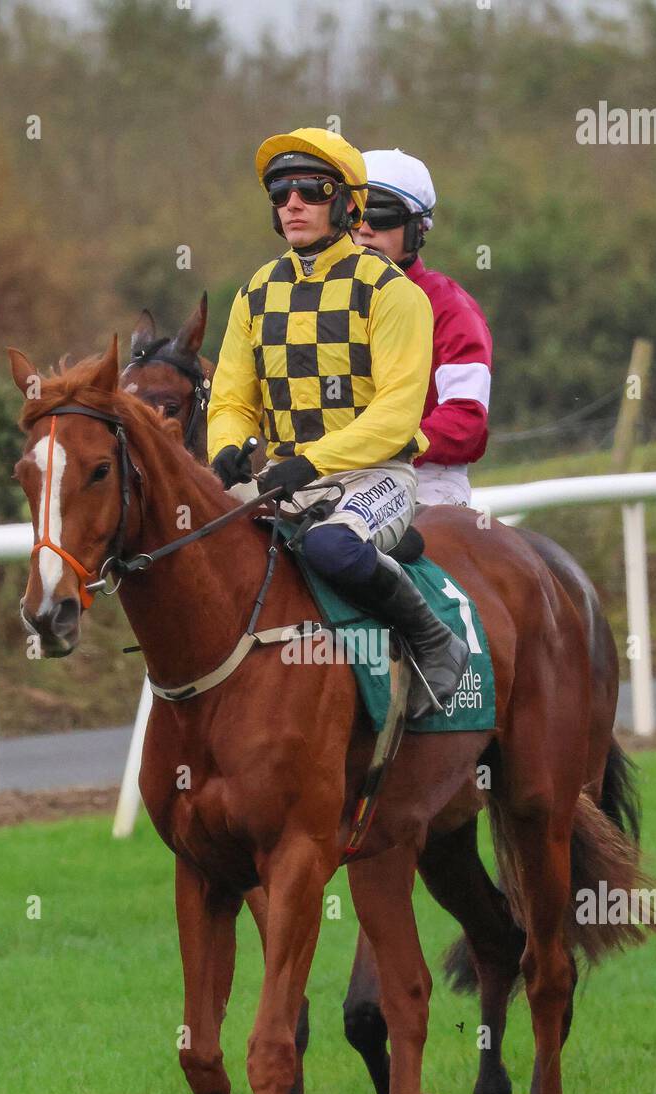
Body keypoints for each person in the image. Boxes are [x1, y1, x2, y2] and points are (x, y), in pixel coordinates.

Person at [207, 127, 469, 716]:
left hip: (374, 474)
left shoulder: (393, 293)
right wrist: (224, 446)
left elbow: (397, 415)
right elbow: (230, 401)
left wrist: (310, 462)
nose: (292, 203)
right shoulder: (253, 294)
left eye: (311, 189)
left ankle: (433, 640)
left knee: (328, 548)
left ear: (346, 203)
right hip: (286, 474)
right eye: (280, 192)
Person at [353, 148, 492, 509]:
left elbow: (466, 418)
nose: (364, 228)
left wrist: (382, 443)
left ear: (417, 229)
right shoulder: (314, 299)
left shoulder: (451, 308)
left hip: (425, 480)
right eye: (353, 214)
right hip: (328, 473)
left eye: (381, 215)